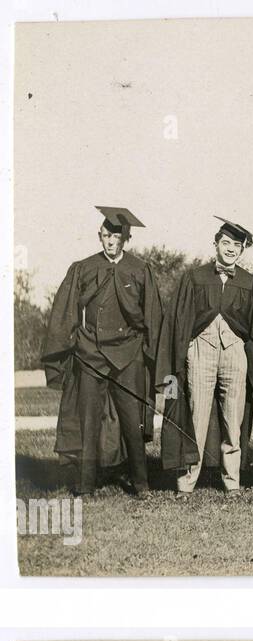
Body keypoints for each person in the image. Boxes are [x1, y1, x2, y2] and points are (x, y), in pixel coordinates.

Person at [41, 206, 163, 498]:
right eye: (106, 235)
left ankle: (141, 483)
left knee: (132, 422)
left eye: (116, 236)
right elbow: (65, 313)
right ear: (100, 236)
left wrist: (150, 357)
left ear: (126, 238)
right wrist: (68, 348)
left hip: (128, 354)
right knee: (88, 419)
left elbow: (153, 317)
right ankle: (85, 484)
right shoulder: (83, 268)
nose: (111, 241)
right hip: (91, 354)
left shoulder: (140, 269)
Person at [157, 216, 253, 496]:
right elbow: (179, 320)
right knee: (197, 416)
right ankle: (186, 483)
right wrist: (183, 353)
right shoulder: (194, 278)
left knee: (234, 419)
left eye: (237, 245)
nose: (231, 249)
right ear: (216, 243)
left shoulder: (251, 282)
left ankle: (232, 483)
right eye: (226, 243)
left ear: (243, 250)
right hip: (201, 351)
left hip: (235, 352)